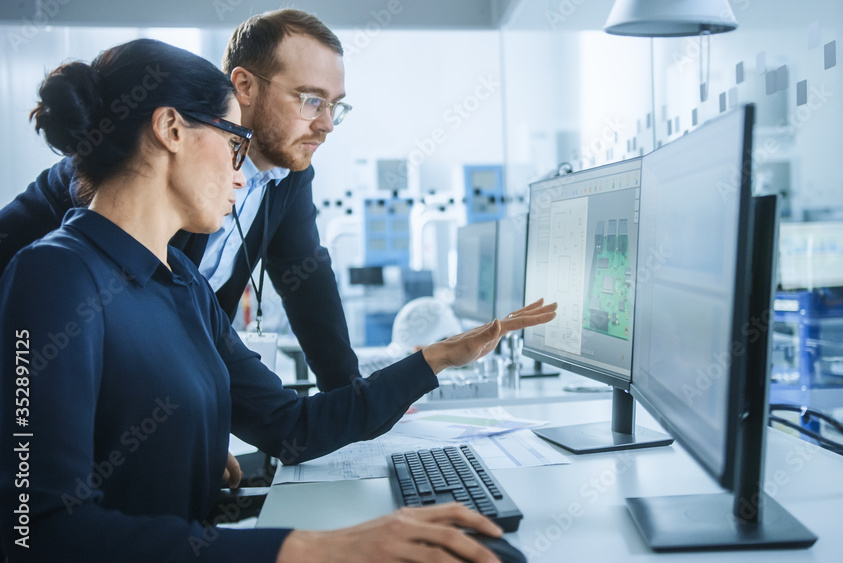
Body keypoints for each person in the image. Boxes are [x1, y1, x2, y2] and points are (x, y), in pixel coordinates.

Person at [0, 39, 556, 562]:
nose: (242, 177)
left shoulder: (183, 282)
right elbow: (39, 533)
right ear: (171, 128)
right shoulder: (53, 276)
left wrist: (437, 359)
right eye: (233, 142)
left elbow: (291, 426)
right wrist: (313, 549)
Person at [0, 9, 361, 394]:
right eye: (310, 100)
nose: (325, 124)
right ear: (245, 85)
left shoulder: (287, 175)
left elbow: (307, 283)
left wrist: (350, 394)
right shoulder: (144, 162)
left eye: (334, 106)